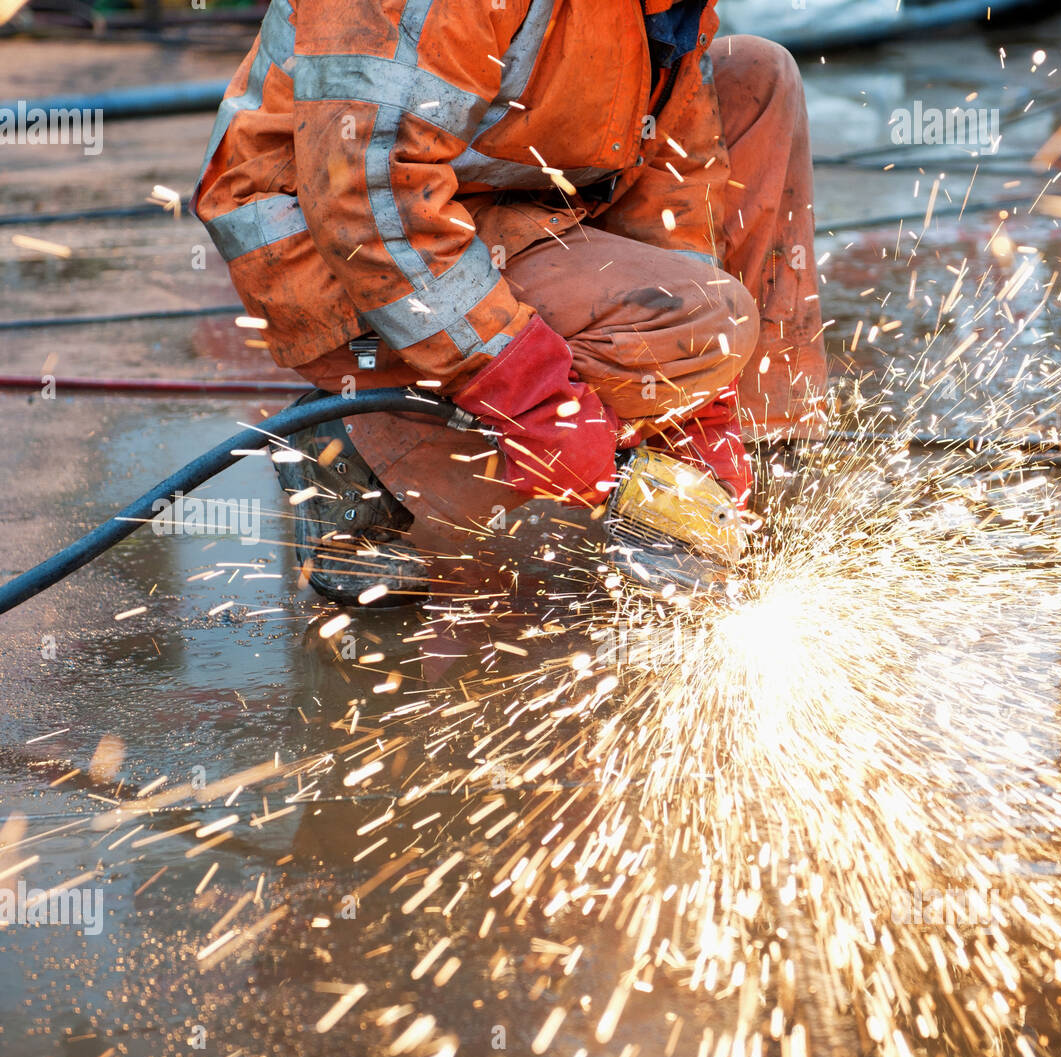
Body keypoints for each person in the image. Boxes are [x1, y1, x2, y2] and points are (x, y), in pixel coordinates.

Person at [193, 0, 827, 606]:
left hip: (494, 204)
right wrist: (527, 389)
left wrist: (698, 411)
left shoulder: (663, 13)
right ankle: (357, 446)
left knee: (753, 78)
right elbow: (364, 194)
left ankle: (735, 469)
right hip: (334, 237)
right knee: (707, 319)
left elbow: (667, 189)